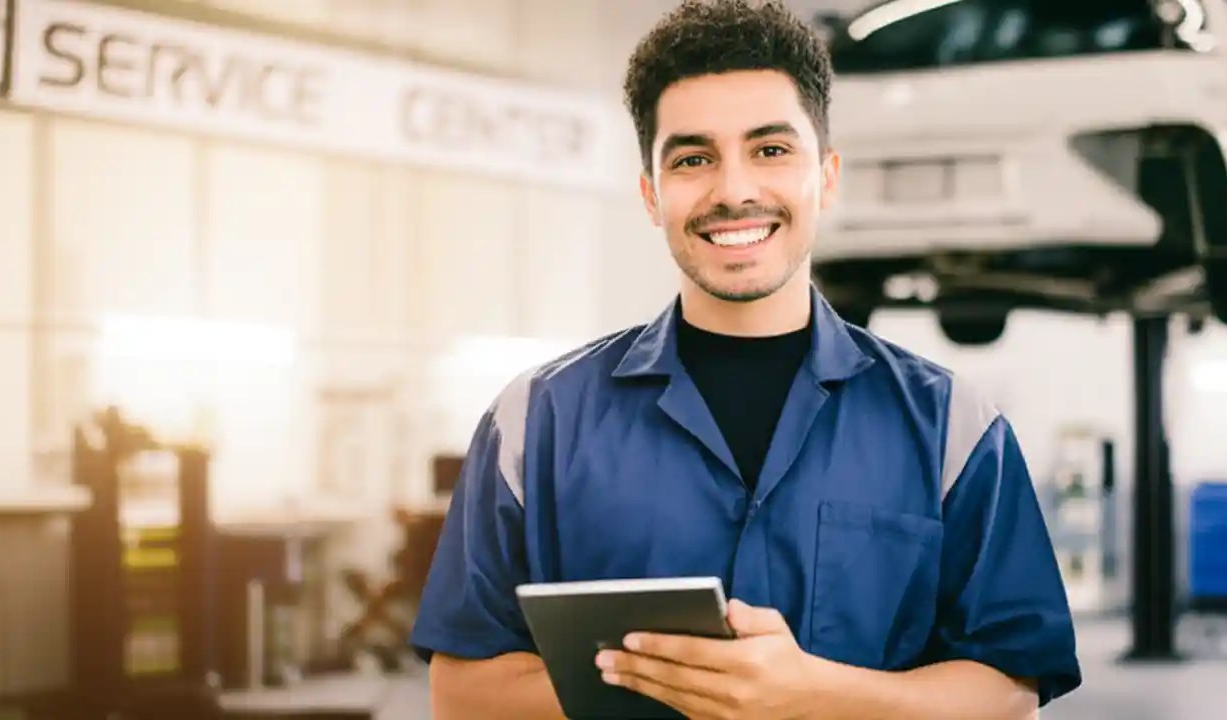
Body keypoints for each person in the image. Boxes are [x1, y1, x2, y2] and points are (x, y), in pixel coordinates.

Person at [410, 1, 1082, 717]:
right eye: (693, 159)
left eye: (770, 151)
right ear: (651, 195)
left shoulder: (953, 427)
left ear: (826, 177)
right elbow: (461, 692)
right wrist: (688, 691)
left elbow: (1010, 693)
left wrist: (809, 696)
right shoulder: (535, 423)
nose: (733, 192)